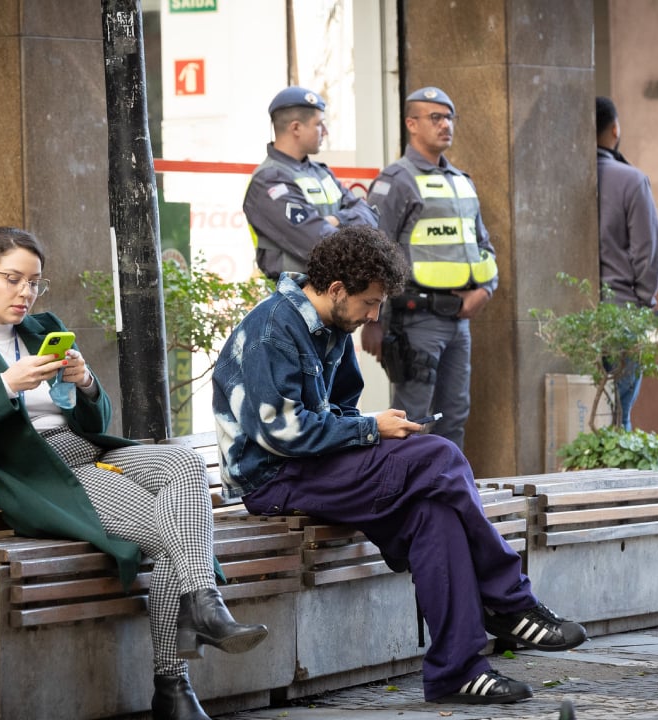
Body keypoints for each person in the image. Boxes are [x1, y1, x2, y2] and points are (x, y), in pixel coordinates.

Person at [212, 225, 586, 707]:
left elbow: (342, 409)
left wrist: (374, 431)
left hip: (318, 469)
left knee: (435, 515)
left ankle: (459, 671)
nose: (373, 315)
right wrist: (372, 431)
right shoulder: (274, 329)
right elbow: (279, 433)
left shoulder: (333, 327)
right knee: (442, 456)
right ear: (336, 290)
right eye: (369, 303)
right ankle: (510, 601)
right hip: (275, 479)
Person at [0, 227, 268, 720]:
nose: (25, 293)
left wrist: (85, 384)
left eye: (34, 282)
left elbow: (95, 421)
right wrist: (5, 385)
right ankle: (177, 680)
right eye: (12, 279)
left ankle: (203, 608)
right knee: (173, 532)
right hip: (43, 475)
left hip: (87, 451)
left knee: (184, 463)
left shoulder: (42, 327)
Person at [361, 87, 498, 449]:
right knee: (412, 420)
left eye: (449, 117)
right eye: (435, 117)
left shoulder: (461, 182)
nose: (445, 124)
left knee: (454, 415)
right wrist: (374, 321)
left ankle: (445, 496)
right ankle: (406, 500)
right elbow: (376, 251)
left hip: (460, 320)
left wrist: (486, 290)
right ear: (411, 124)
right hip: (415, 320)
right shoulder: (396, 180)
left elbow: (483, 246)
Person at [242, 86, 378, 279]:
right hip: (294, 298)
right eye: (319, 124)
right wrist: (346, 221)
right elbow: (318, 243)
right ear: (296, 128)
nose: (326, 132)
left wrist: (336, 220)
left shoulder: (320, 173)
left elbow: (370, 215)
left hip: (331, 294)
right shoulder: (269, 181)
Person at [595, 96, 658, 429]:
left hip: (565, 317)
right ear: (615, 130)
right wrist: (643, 302)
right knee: (619, 415)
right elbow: (647, 249)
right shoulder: (631, 179)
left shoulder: (555, 180)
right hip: (621, 312)